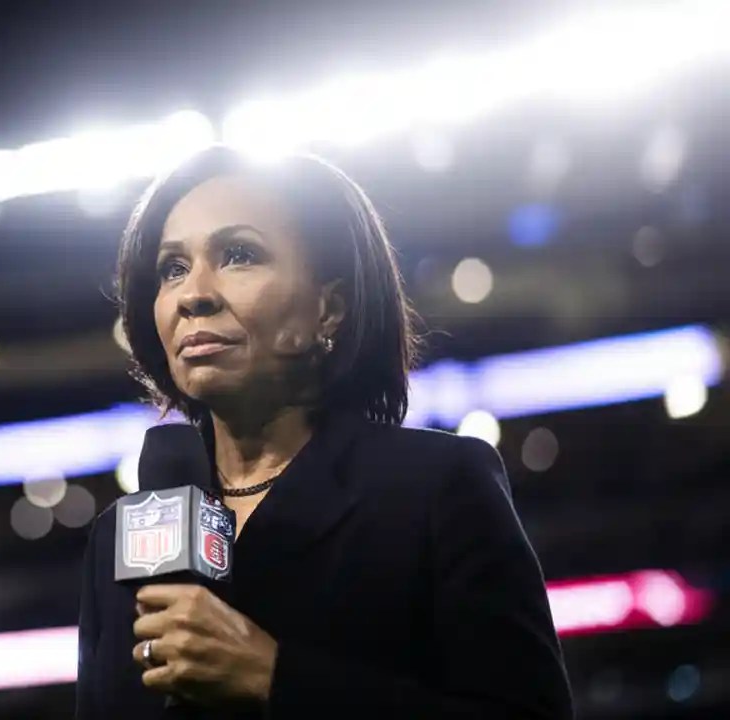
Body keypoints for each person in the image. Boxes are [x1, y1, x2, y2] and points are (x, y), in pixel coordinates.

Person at [75, 146, 573, 718]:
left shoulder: (436, 487)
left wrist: (275, 678)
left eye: (239, 255)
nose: (194, 294)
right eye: (173, 268)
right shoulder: (119, 537)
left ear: (327, 309)